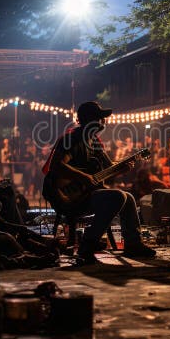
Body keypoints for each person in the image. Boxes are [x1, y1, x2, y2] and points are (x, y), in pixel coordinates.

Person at [42, 101, 155, 265]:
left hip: (86, 194)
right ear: (89, 120)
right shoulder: (71, 139)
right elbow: (56, 166)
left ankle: (133, 244)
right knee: (117, 197)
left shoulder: (95, 142)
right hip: (68, 197)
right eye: (100, 118)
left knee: (129, 198)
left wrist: (121, 169)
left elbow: (108, 170)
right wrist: (83, 177)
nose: (104, 121)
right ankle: (88, 243)